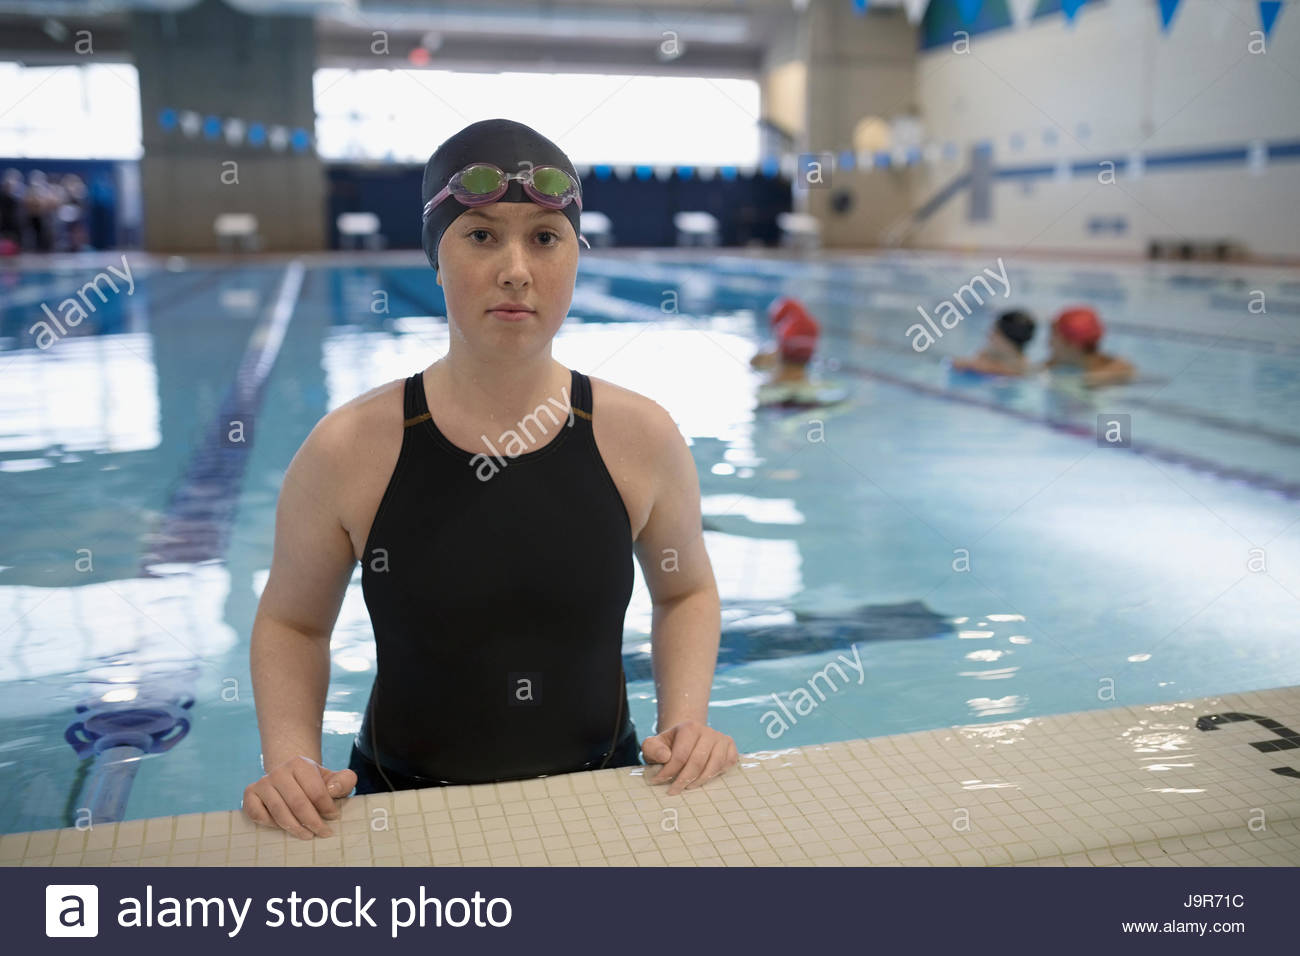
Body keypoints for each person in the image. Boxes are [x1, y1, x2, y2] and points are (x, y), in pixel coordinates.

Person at [242, 118, 738, 840]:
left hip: (609, 796)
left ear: (576, 255)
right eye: (480, 236)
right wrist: (290, 761)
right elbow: (292, 620)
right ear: (434, 256)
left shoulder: (641, 435)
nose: (516, 269)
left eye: (544, 237)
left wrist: (686, 724)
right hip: (393, 807)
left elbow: (687, 590)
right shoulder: (348, 448)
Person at [1042, 305, 1135, 387]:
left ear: (1072, 344)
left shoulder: (1117, 373)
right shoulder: (1057, 364)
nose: (1049, 343)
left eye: (1053, 337)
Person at [950, 309, 1036, 376]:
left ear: (1006, 341)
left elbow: (960, 364)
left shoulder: (1021, 367)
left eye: (995, 332)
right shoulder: (989, 353)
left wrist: (977, 366)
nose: (989, 335)